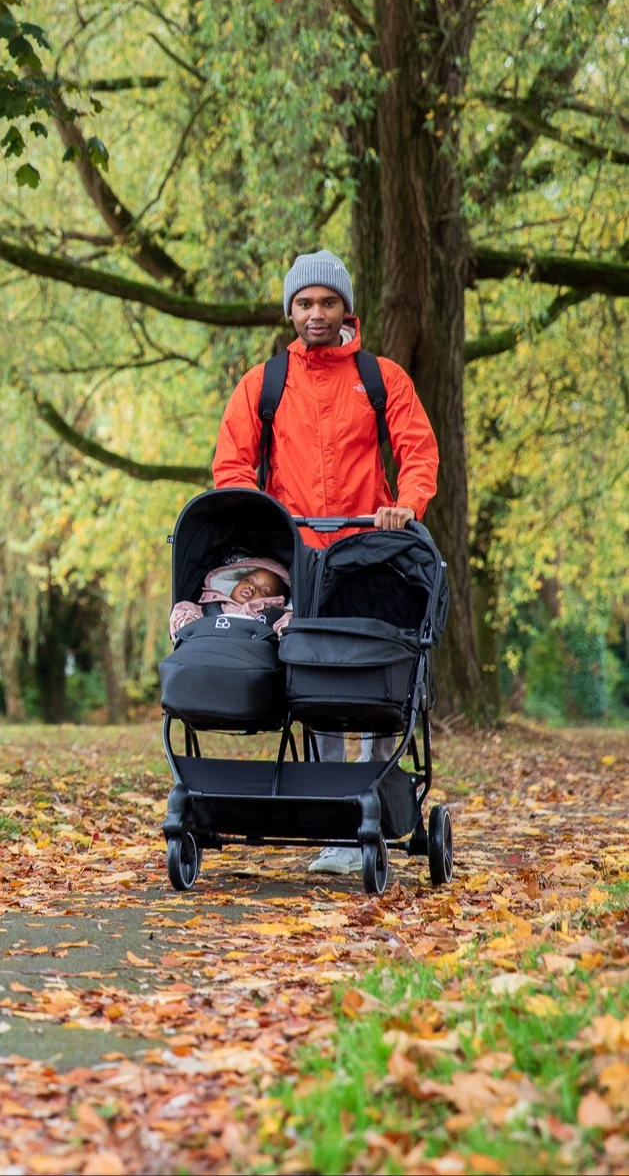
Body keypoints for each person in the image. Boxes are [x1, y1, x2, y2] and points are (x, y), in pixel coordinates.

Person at [211, 249, 440, 875]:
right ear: (290, 312)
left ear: (347, 310)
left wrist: (405, 505)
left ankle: (370, 806)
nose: (316, 314)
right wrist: (263, 515)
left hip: (366, 552)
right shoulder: (264, 383)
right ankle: (335, 817)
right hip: (296, 555)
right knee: (312, 686)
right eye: (304, 304)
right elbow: (232, 466)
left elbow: (417, 450)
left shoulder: (381, 377)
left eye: (327, 303)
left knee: (368, 682)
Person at [169, 558, 293, 639]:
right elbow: (182, 611)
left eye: (265, 591)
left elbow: (288, 628)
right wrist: (189, 623)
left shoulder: (276, 617)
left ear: (275, 601)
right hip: (207, 650)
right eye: (248, 580)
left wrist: (284, 635)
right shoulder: (212, 607)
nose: (252, 587)